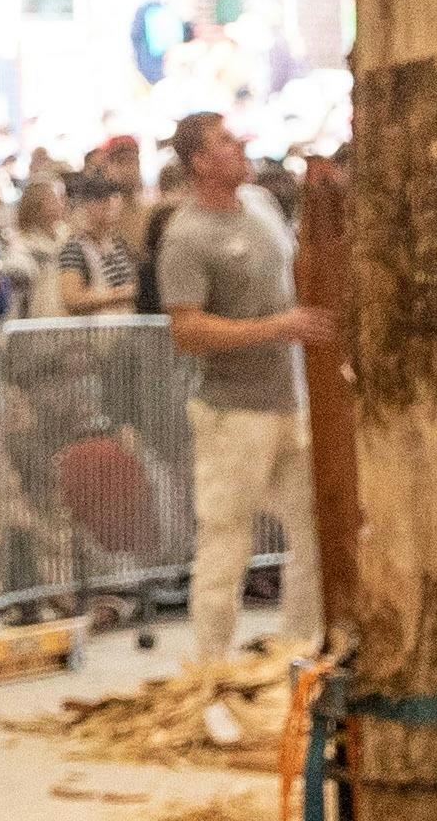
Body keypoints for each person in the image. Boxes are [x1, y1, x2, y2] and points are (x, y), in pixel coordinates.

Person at [149, 113, 321, 675]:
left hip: (290, 403)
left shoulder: (264, 208)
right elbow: (187, 330)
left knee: (313, 527)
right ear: (199, 159)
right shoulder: (187, 234)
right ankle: (208, 666)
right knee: (227, 540)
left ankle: (295, 652)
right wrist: (278, 327)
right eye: (225, 139)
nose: (240, 143)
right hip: (232, 411)